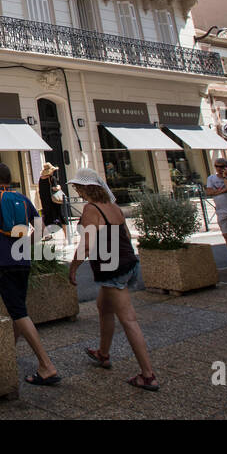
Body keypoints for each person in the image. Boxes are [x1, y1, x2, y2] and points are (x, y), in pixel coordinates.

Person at [66, 167, 159, 390]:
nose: (77, 191)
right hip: (128, 262)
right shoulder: (113, 206)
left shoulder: (91, 209)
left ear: (86, 188)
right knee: (103, 307)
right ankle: (103, 353)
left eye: (78, 187)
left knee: (129, 320)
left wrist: (73, 268)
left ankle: (148, 375)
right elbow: (126, 234)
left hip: (113, 270)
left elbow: (86, 245)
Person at [0, 162, 60, 386]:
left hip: (2, 261)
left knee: (19, 311)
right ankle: (8, 355)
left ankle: (46, 365)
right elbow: (42, 229)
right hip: (22, 261)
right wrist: (25, 244)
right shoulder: (23, 199)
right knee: (17, 309)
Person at [37, 161, 66, 242]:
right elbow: (54, 188)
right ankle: (66, 235)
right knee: (61, 215)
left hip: (45, 202)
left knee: (47, 218)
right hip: (54, 201)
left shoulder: (40, 179)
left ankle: (47, 235)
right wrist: (59, 187)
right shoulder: (51, 178)